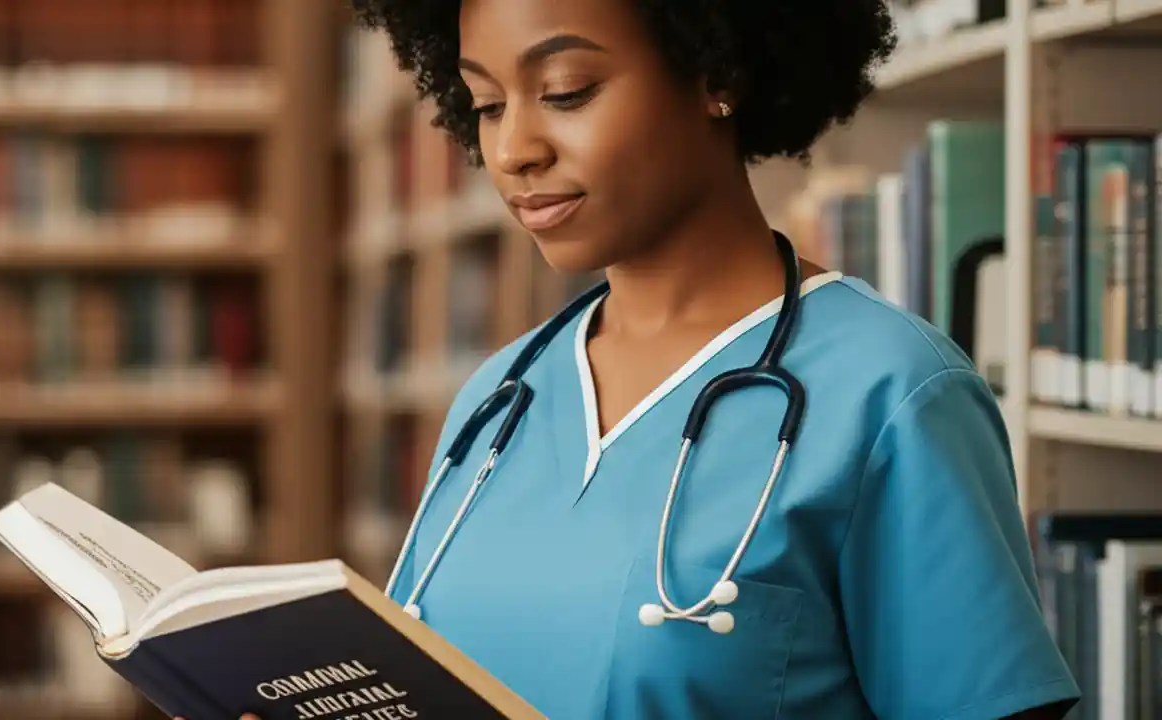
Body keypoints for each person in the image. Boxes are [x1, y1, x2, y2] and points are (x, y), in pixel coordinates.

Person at [185, 0, 1081, 718]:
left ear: (718, 73)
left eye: (566, 91)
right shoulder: (498, 400)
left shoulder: (890, 393)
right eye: (487, 103)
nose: (512, 150)